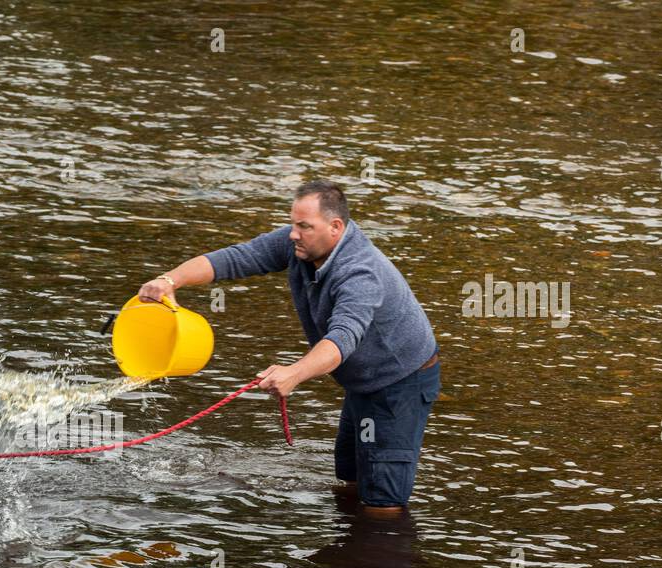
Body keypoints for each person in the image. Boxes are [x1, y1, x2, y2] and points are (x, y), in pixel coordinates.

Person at [138, 180, 440, 516]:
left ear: (335, 227)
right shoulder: (301, 245)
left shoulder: (359, 274)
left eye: (304, 226)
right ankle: (350, 550)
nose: (293, 234)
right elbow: (240, 257)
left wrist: (294, 374)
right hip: (363, 380)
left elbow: (343, 338)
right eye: (293, 224)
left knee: (383, 498)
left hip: (399, 383)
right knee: (351, 475)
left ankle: (379, 557)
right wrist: (170, 280)